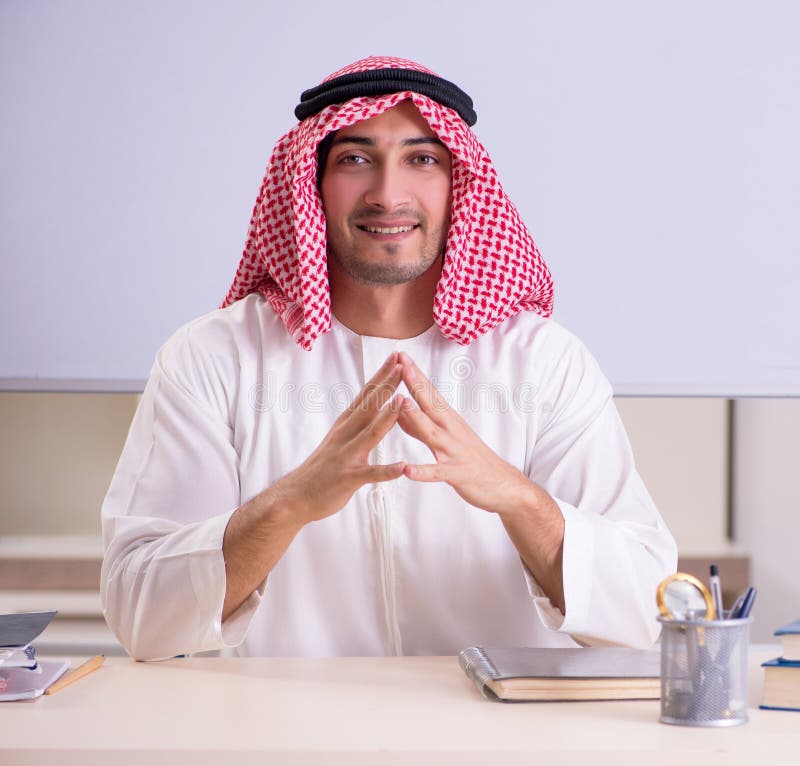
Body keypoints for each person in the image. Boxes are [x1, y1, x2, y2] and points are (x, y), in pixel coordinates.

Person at [101, 56, 677, 661]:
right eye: (355, 159)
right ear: (311, 182)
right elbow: (144, 618)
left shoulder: (544, 363)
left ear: (459, 185)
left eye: (422, 160)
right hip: (286, 719)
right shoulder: (215, 358)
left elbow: (642, 610)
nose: (387, 195)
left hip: (491, 722)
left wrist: (515, 495)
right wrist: (289, 503)